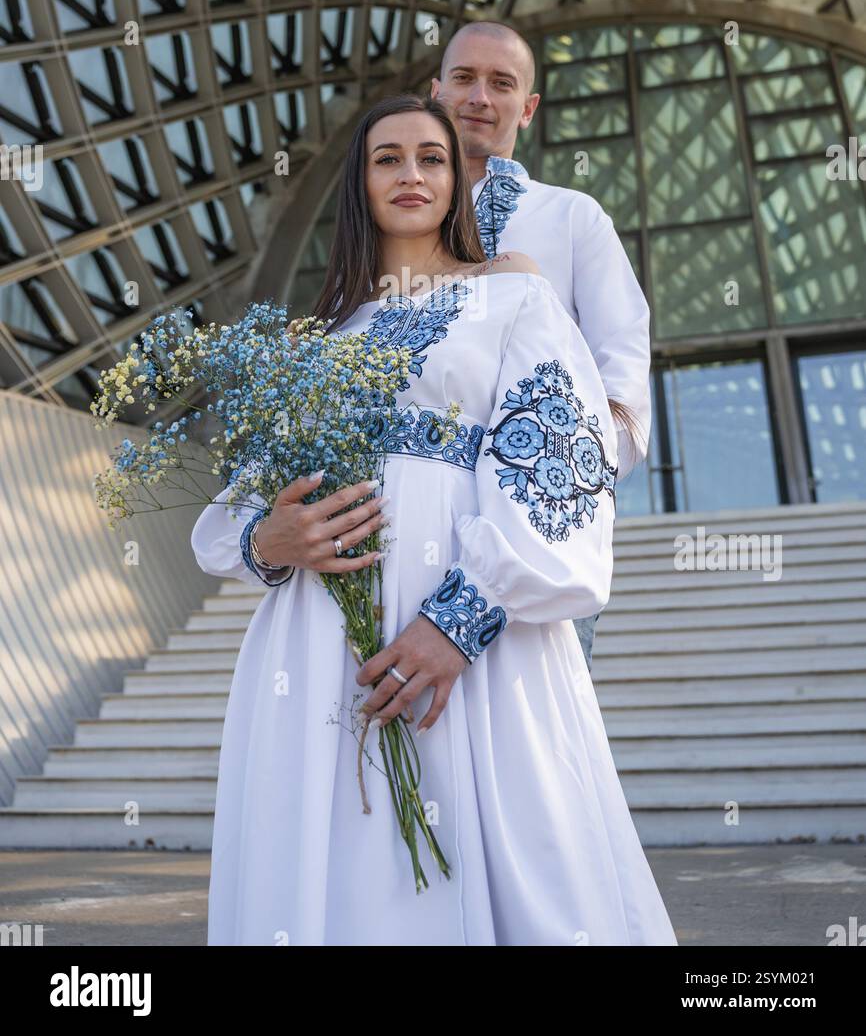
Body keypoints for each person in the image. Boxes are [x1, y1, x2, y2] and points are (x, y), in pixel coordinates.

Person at [190, 92, 678, 946]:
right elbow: (243, 502)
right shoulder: (318, 338)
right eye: (387, 158)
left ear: (458, 180)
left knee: (518, 851)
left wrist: (458, 624)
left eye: (432, 157)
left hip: (476, 643)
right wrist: (265, 541)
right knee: (337, 852)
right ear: (360, 183)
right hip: (318, 639)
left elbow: (559, 468)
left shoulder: (513, 294)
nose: (411, 173)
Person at [431, 21, 652, 670]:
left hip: (543, 519)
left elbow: (624, 360)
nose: (479, 96)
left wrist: (566, 479)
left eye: (501, 84)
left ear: (526, 108)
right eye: (465, 78)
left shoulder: (570, 215)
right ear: (436, 90)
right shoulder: (392, 226)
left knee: (543, 736)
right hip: (422, 517)